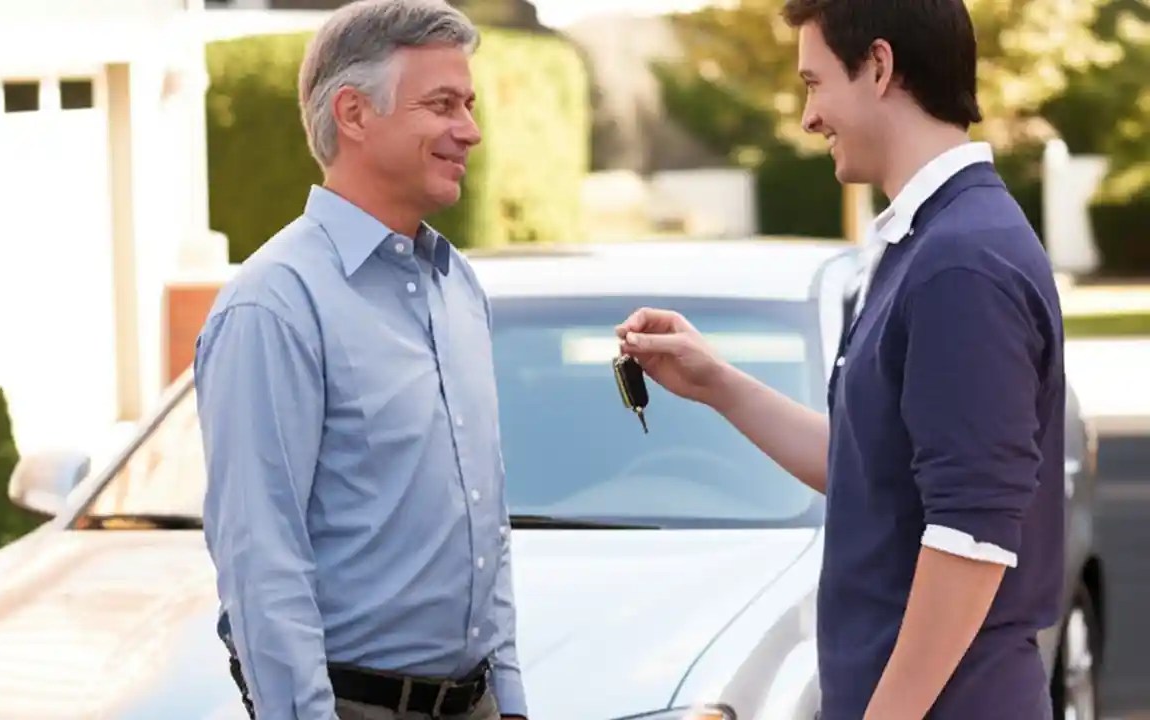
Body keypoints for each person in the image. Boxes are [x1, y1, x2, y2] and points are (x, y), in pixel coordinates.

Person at [615, 1, 1065, 718]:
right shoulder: (926, 245)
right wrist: (717, 383)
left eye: (814, 82)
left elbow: (971, 538)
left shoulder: (960, 262)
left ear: (879, 67)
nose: (807, 118)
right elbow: (869, 470)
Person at [193, 2, 527, 719]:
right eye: (442, 105)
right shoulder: (274, 304)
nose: (469, 130)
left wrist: (512, 698)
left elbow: (484, 525)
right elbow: (260, 561)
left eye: (467, 104)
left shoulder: (458, 286)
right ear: (353, 113)